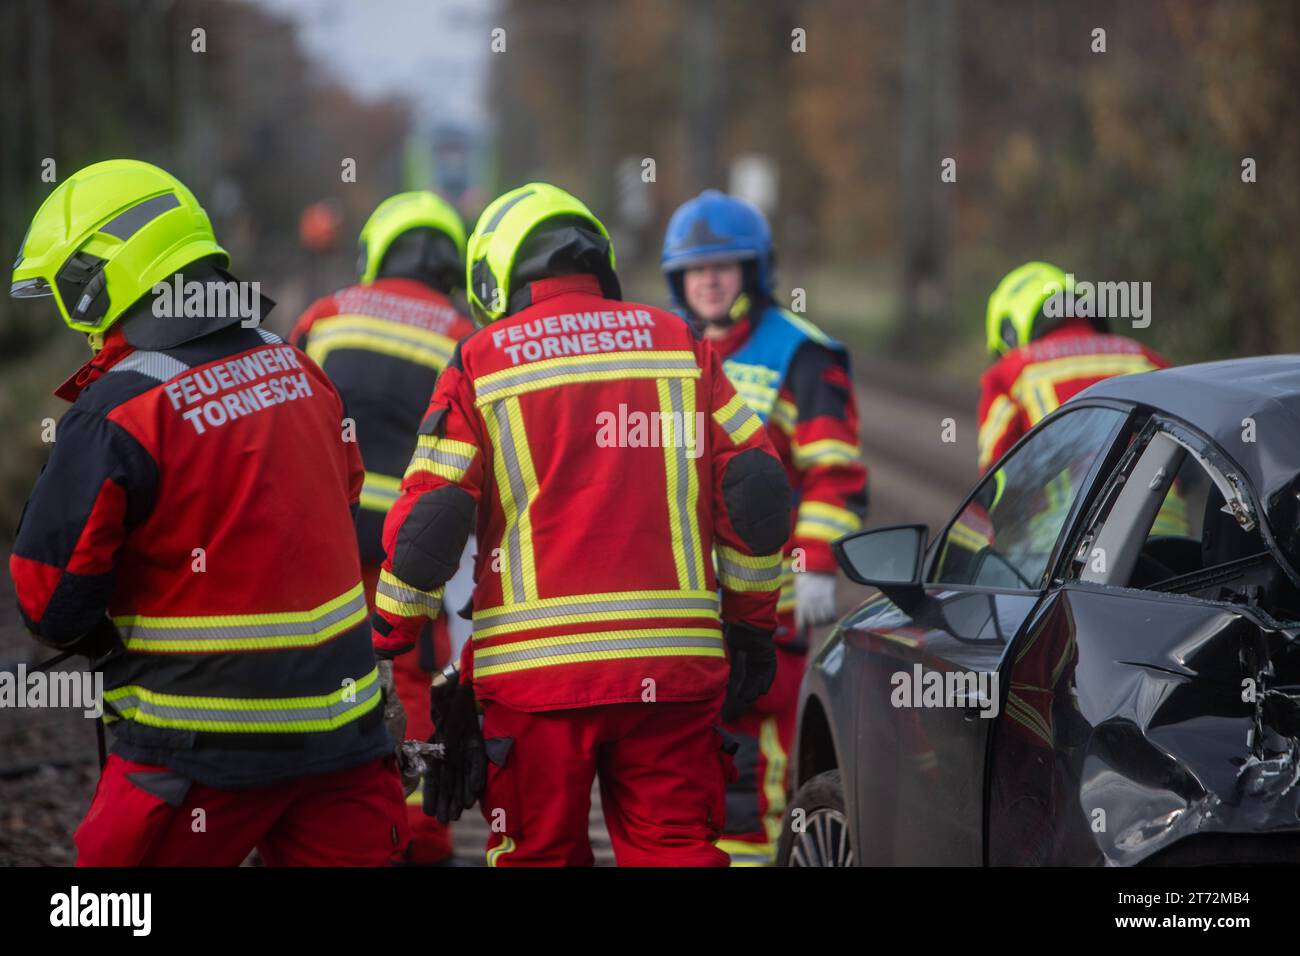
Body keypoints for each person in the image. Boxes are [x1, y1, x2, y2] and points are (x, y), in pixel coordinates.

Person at [371, 182, 792, 866]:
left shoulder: (482, 361)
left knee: (538, 854)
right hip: (673, 664)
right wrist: (750, 623)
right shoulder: (679, 342)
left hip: (537, 682)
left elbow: (433, 519)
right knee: (677, 848)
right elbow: (756, 494)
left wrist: (390, 635)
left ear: (494, 274)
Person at [8, 159, 407, 866]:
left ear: (104, 278)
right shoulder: (298, 368)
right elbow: (340, 494)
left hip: (198, 752)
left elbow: (51, 600)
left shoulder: (121, 410)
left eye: (73, 294)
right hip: (345, 739)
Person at [661, 190, 868, 865]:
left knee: (758, 770)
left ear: (754, 272)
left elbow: (834, 472)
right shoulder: (667, 352)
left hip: (771, 603)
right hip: (684, 603)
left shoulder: (803, 355)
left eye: (724, 266)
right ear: (678, 280)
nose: (711, 281)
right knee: (685, 760)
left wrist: (814, 564)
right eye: (697, 270)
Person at [291, 190, 477, 864]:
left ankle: (320, 822)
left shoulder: (326, 314)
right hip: (413, 548)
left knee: (319, 672)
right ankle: (418, 837)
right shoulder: (462, 335)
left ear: (378, 250)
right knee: (412, 680)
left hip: (325, 538)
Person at [978, 261, 1169, 473]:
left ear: (1009, 333)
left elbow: (995, 481)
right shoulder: (1146, 359)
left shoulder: (1008, 376)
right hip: (1165, 506)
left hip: (1073, 507)